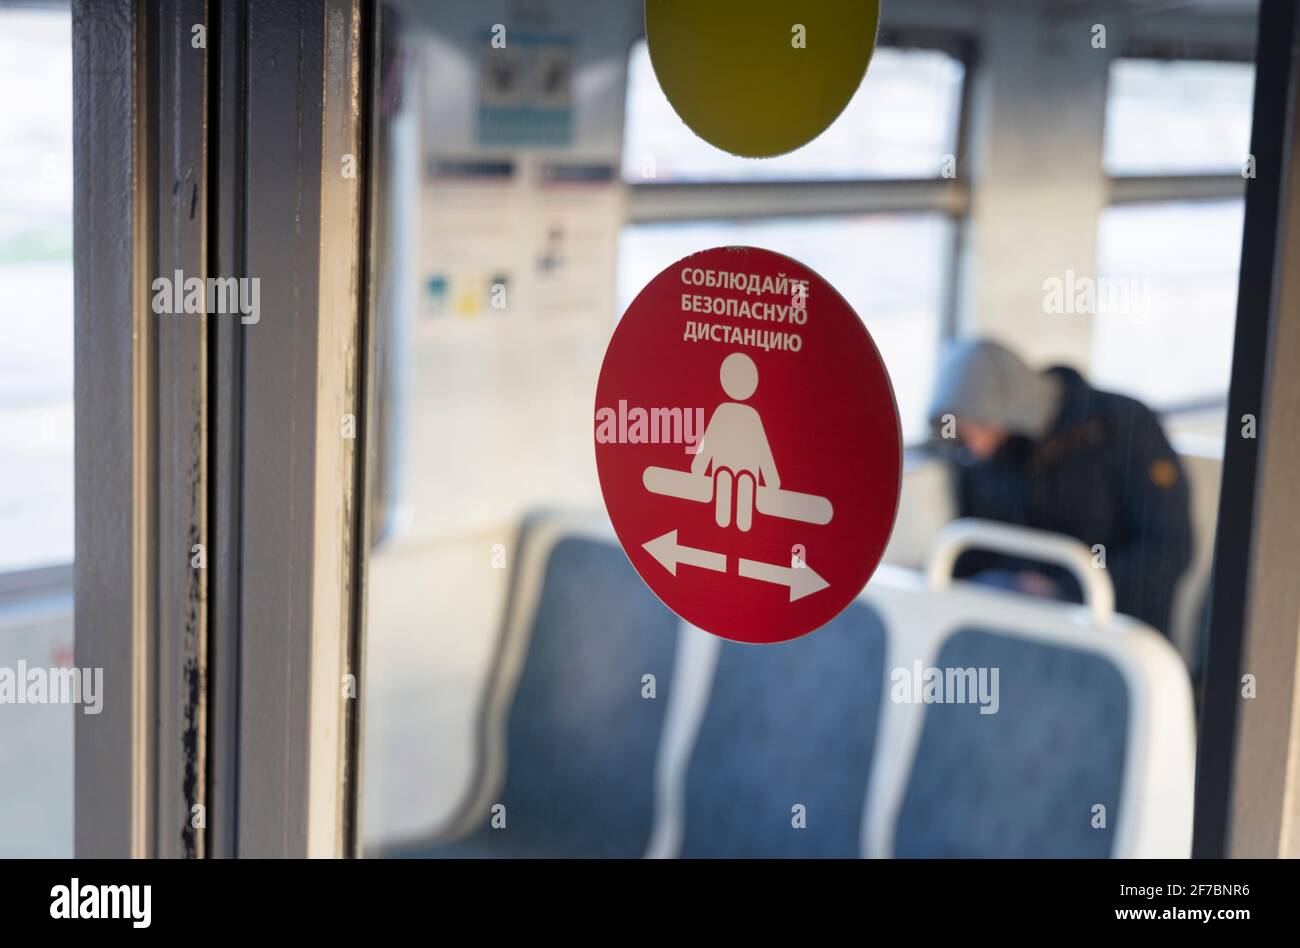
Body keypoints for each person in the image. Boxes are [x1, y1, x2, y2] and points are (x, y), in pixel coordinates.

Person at [928, 338, 1192, 637]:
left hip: (1110, 628)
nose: (974, 447)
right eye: (962, 436)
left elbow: (1169, 548)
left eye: (978, 430)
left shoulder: (1126, 426)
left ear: (1009, 408)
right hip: (1011, 619)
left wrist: (1066, 589)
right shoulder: (980, 458)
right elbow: (973, 547)